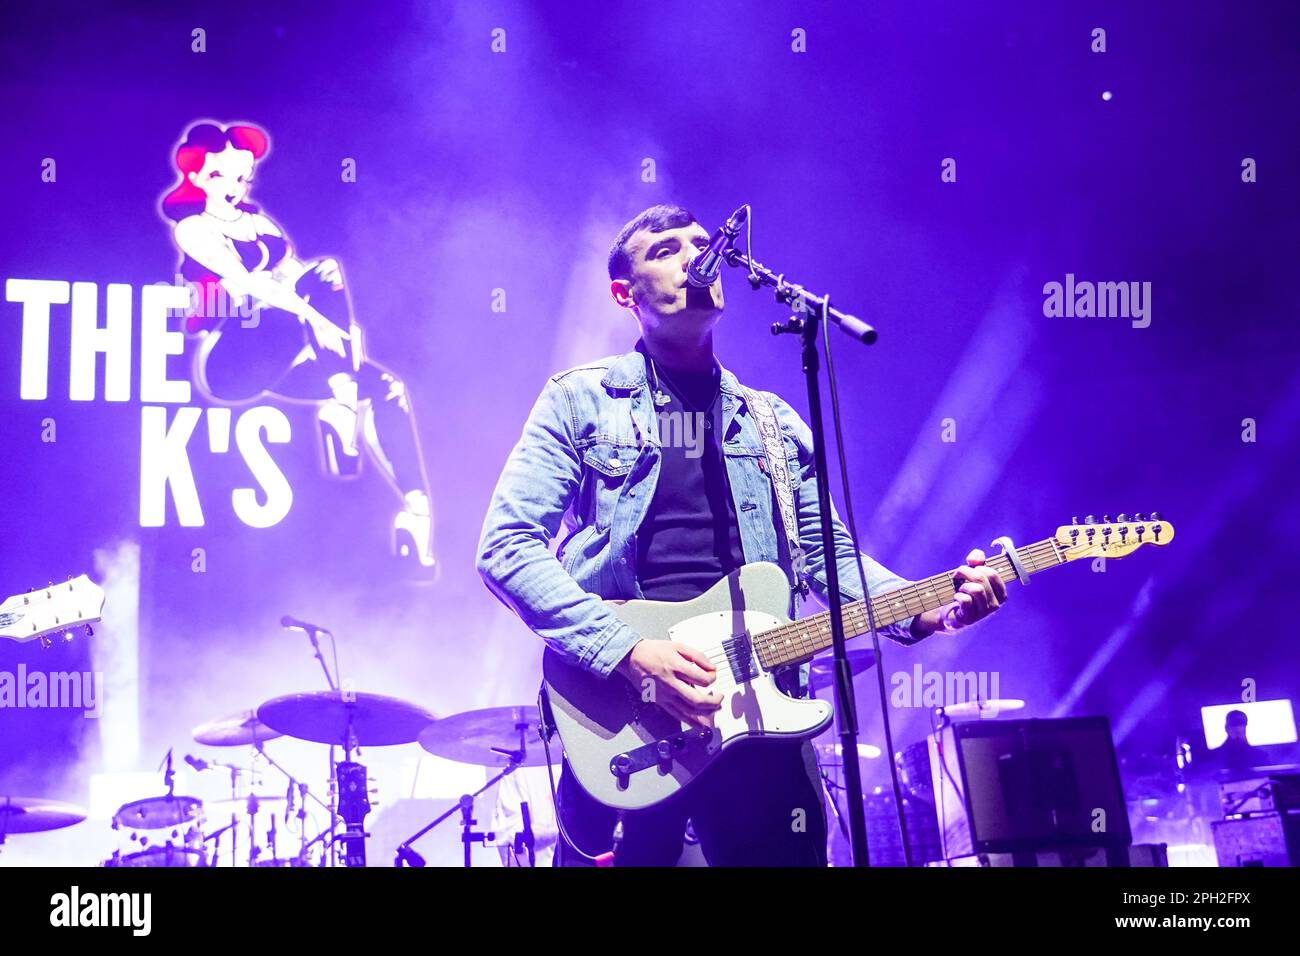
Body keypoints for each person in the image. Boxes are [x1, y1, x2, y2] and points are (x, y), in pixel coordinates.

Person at [476, 204, 1006, 865]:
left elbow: (831, 561)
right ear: (625, 293)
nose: (697, 256)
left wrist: (932, 606)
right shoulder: (580, 401)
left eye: (702, 244)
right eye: (667, 250)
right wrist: (629, 651)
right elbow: (505, 546)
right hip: (626, 715)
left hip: (761, 718)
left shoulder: (773, 424)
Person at [160, 122, 434, 567]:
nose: (232, 188)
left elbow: (296, 277)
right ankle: (343, 409)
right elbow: (251, 284)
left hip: (284, 356)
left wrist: (343, 334)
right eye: (219, 176)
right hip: (233, 354)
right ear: (196, 177)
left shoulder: (259, 222)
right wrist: (316, 318)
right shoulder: (193, 229)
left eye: (241, 176)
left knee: (387, 389)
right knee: (325, 275)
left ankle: (415, 513)